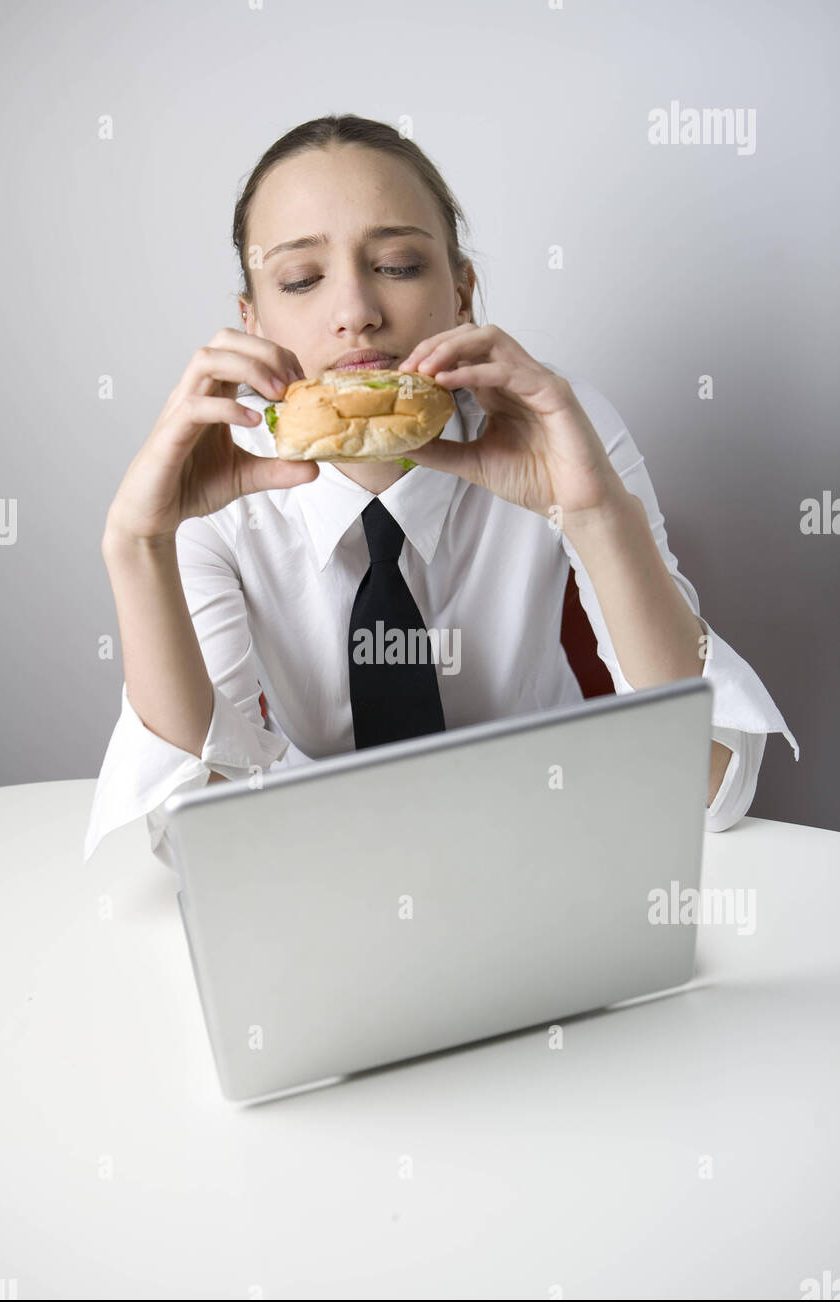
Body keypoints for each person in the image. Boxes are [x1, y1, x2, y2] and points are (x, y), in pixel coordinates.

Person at [83, 113, 798, 872]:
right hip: (326, 864)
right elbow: (198, 836)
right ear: (251, 321)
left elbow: (709, 785)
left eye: (396, 264)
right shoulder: (216, 475)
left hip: (554, 845)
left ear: (462, 295)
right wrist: (140, 546)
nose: (355, 308)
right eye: (301, 278)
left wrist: (591, 515)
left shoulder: (557, 426)